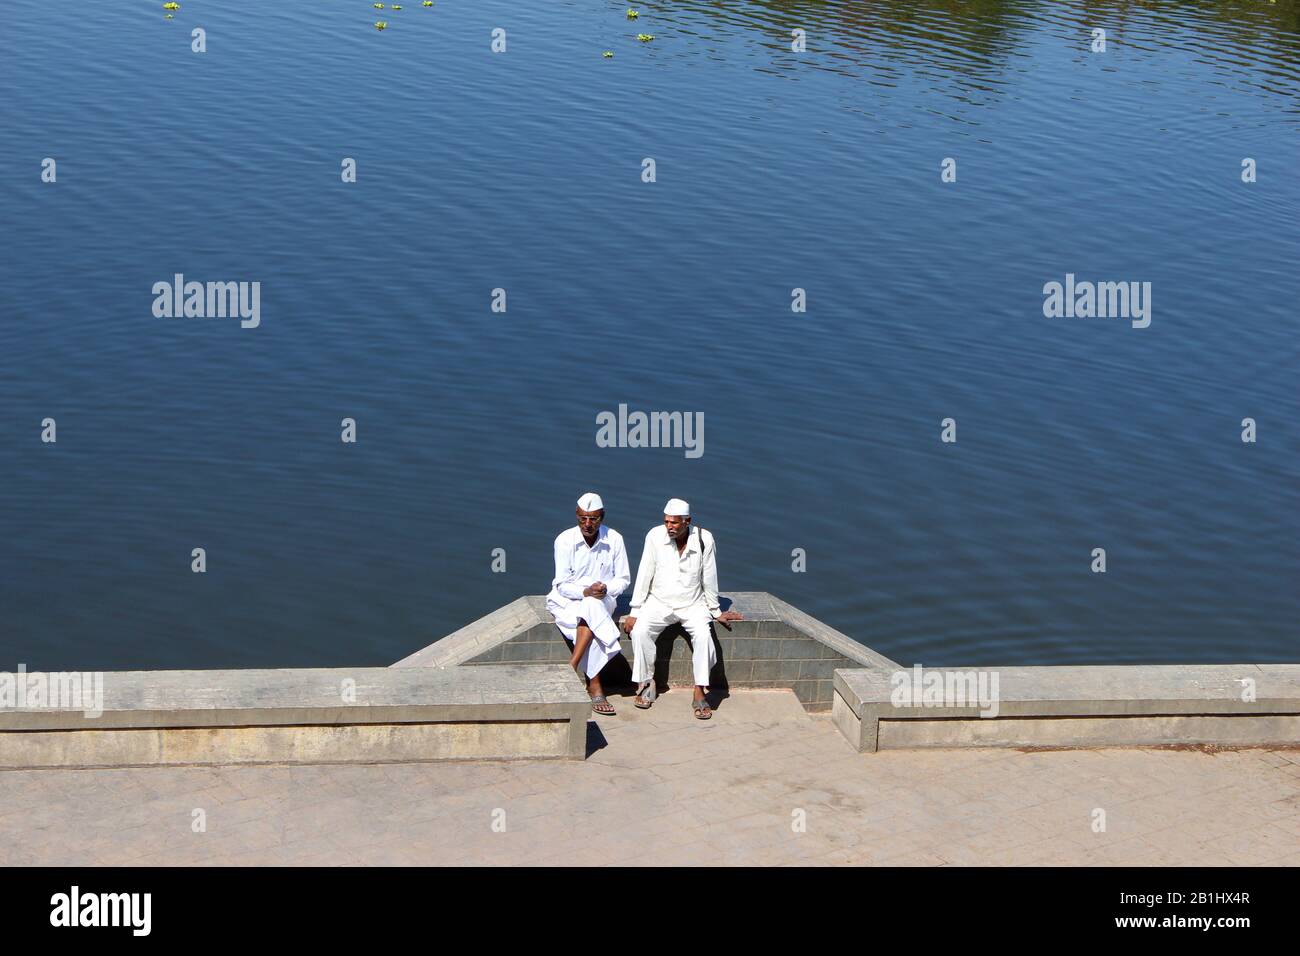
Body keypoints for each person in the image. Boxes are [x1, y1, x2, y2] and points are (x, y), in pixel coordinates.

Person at [622, 499, 743, 719]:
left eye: (675, 523)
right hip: (658, 602)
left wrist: (716, 611)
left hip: (693, 604)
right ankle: (648, 682)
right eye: (666, 521)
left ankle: (699, 691)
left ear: (688, 521)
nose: (669, 526)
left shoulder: (704, 539)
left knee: (705, 638)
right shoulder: (654, 536)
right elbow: (644, 573)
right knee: (640, 632)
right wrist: (635, 611)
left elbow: (710, 576)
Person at [546, 492, 630, 716]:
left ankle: (573, 667)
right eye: (583, 518)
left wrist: (605, 589)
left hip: (604, 600)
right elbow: (561, 584)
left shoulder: (615, 539)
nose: (587, 524)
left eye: (593, 518)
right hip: (568, 601)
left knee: (592, 607)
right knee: (589, 608)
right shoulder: (564, 540)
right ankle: (594, 686)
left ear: (602, 517)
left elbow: (623, 579)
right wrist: (585, 591)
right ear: (577, 515)